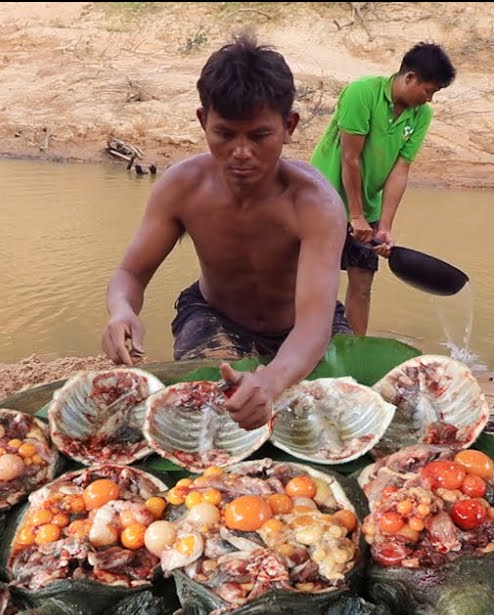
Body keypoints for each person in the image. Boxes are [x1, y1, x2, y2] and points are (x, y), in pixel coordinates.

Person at [100, 33, 351, 431]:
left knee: (324, 422)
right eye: (225, 133)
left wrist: (271, 380)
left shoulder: (316, 204)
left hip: (302, 327)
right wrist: (122, 311)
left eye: (258, 135)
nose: (241, 152)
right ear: (203, 122)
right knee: (208, 419)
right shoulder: (182, 187)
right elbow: (130, 273)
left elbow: (313, 324)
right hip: (215, 316)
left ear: (289, 126)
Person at [309, 42, 456, 336]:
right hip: (322, 198)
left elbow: (400, 169)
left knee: (362, 284)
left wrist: (384, 226)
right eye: (428, 90)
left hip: (368, 205)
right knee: (318, 282)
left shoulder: (420, 115)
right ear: (409, 77)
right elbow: (350, 159)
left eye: (434, 94)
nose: (429, 99)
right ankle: (305, 348)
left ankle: (355, 351)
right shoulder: (361, 93)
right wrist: (355, 216)